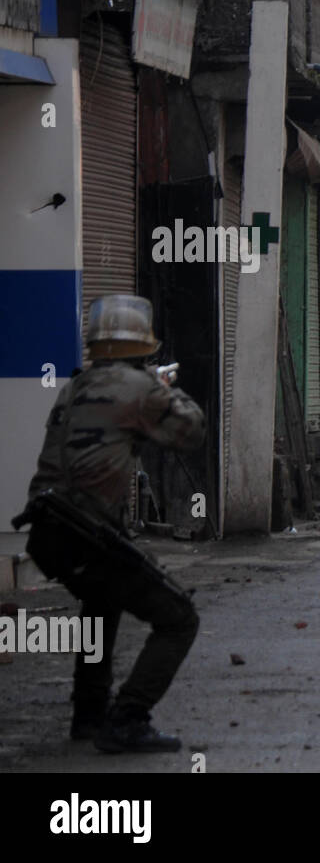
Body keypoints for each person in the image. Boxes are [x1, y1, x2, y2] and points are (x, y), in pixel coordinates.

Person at [20, 295, 204, 752]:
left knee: (101, 602)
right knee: (179, 618)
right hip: (85, 531)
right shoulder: (140, 387)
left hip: (47, 530)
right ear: (145, 347)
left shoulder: (75, 386)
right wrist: (164, 386)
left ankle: (88, 714)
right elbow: (192, 431)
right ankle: (127, 718)